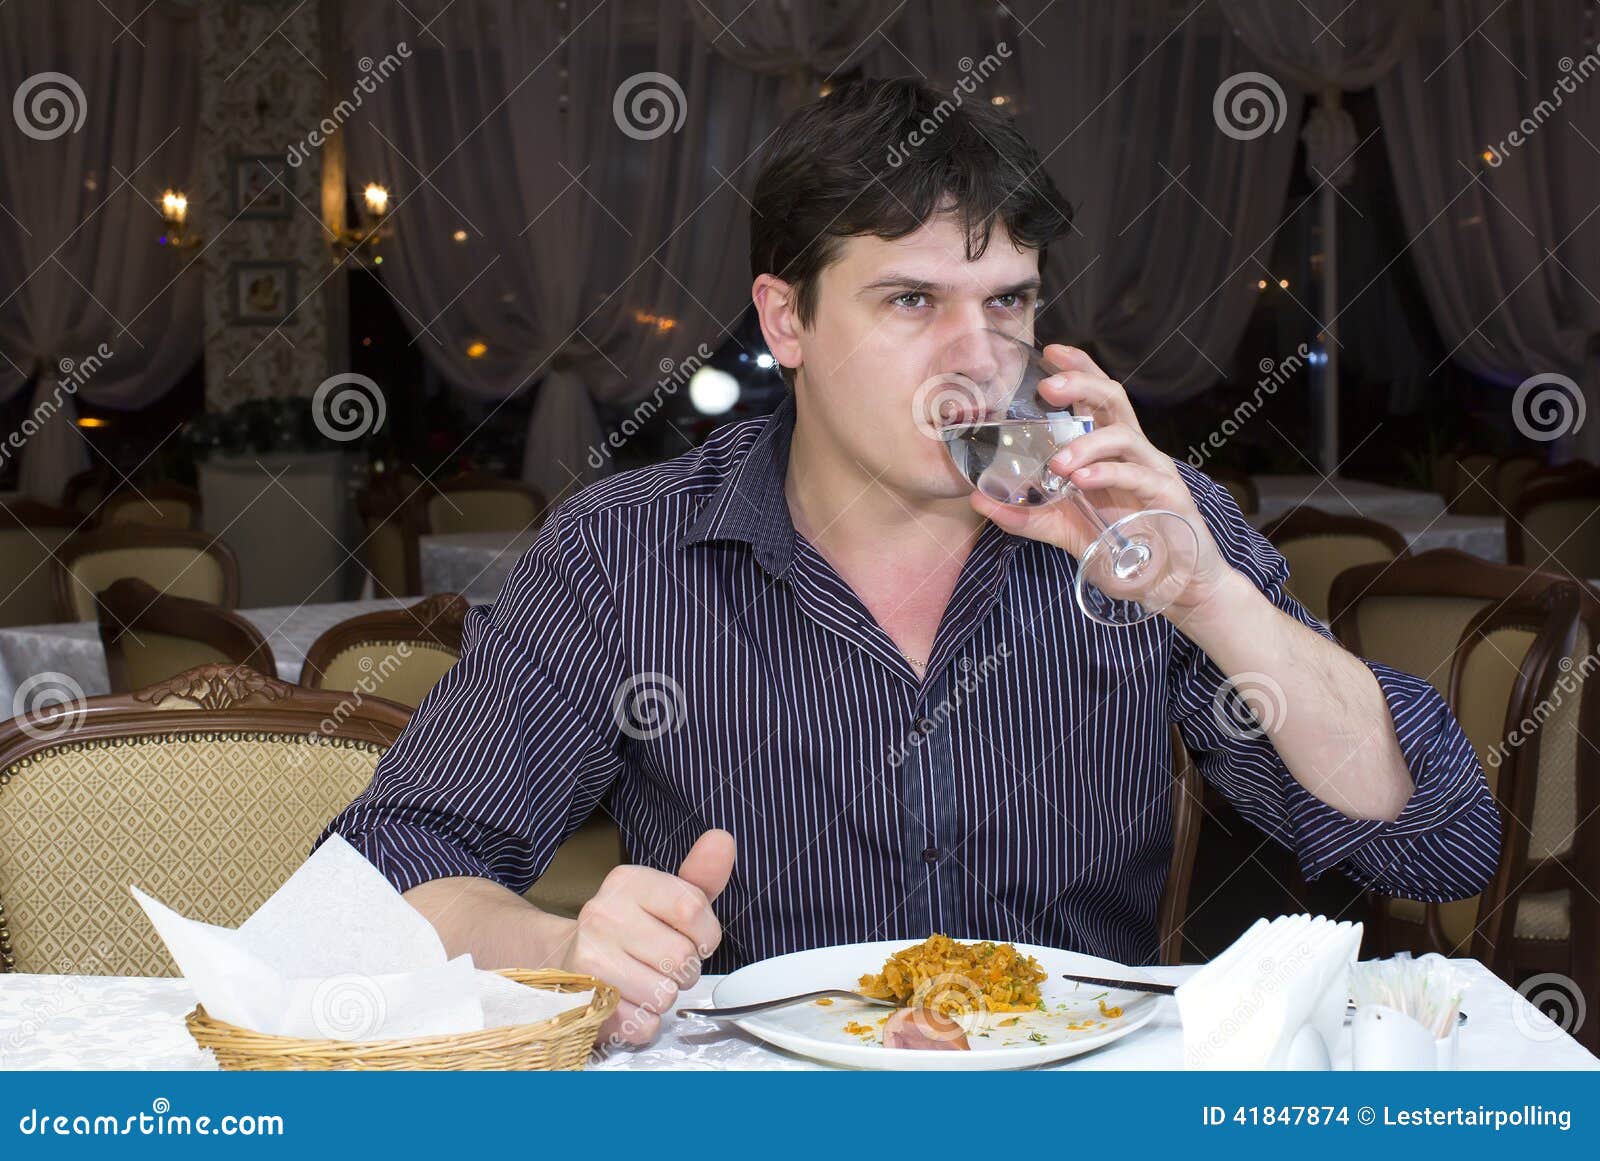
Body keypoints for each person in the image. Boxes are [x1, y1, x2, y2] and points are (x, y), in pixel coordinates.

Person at [322, 77, 1499, 1046]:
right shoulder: (625, 551)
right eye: (909, 299)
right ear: (787, 323)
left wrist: (1213, 601)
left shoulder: (1138, 526)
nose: (974, 358)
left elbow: (1434, 839)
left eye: (1007, 304)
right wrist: (563, 949)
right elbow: (387, 877)